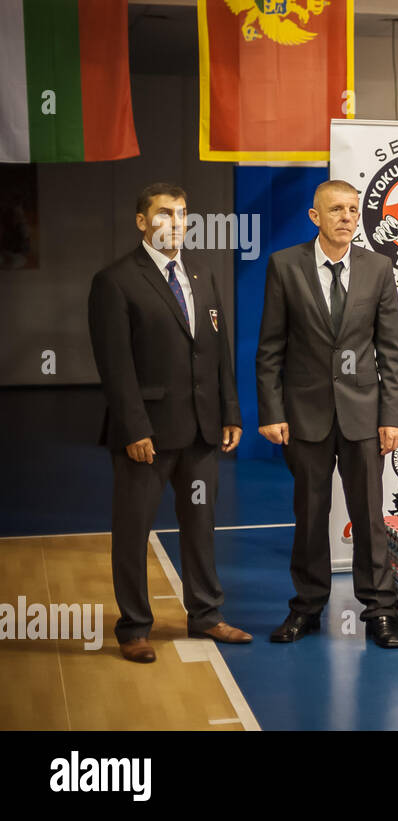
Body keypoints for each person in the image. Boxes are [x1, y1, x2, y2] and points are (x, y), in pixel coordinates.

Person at [87, 183, 249, 663]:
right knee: (133, 529)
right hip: (147, 435)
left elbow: (217, 351)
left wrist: (231, 411)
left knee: (201, 524)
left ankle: (205, 614)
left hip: (202, 430)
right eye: (164, 214)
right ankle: (134, 626)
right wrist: (135, 427)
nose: (175, 223)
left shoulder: (202, 272)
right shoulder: (115, 280)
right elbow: (115, 366)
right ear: (142, 222)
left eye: (181, 214)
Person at [256, 180, 398, 647]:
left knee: (369, 519)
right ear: (314, 216)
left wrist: (393, 416)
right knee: (310, 515)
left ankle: (379, 611)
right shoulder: (285, 266)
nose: (346, 216)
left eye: (352, 209)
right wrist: (271, 411)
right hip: (306, 417)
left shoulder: (377, 268)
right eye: (335, 209)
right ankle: (306, 608)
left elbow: (390, 351)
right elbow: (270, 349)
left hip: (364, 415)